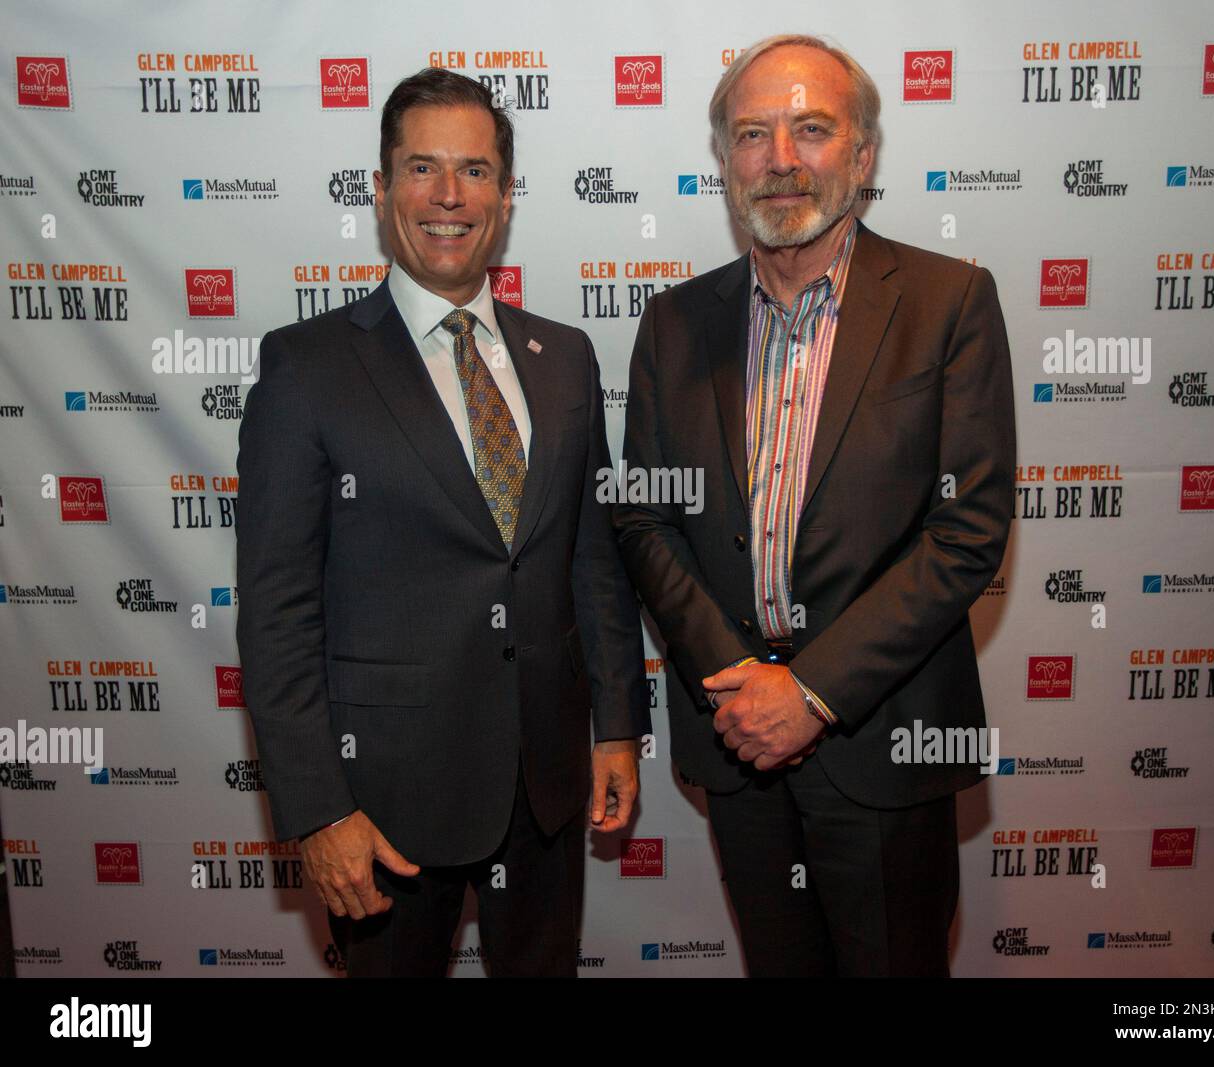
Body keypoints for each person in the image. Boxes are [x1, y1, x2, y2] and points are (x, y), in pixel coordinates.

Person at [613, 34, 1015, 977]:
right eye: (752, 134)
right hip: (737, 742)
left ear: (863, 154)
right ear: (723, 162)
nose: (781, 159)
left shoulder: (948, 301)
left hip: (883, 735)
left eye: (811, 129)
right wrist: (744, 687)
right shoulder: (674, 323)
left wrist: (811, 690)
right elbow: (643, 514)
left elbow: (967, 530)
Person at [236, 68, 648, 977]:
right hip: (384, 810)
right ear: (381, 189)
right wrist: (316, 808)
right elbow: (276, 613)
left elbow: (595, 563)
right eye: (422, 168)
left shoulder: (566, 359)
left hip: (542, 789)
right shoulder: (306, 370)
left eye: (474, 170)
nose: (448, 196)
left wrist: (618, 724)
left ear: (504, 196)